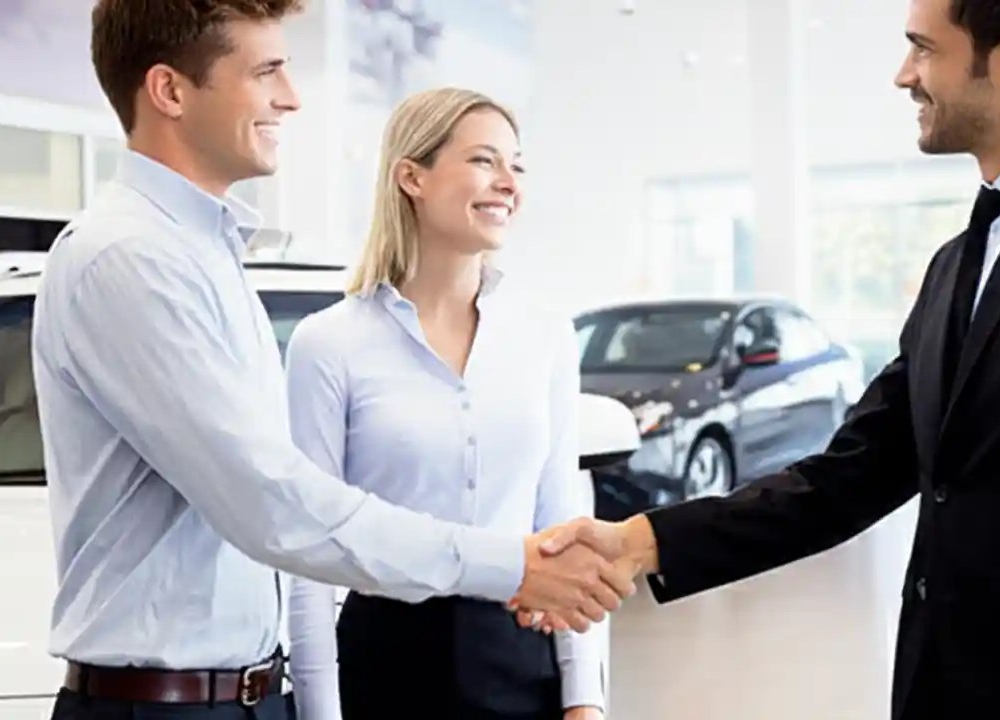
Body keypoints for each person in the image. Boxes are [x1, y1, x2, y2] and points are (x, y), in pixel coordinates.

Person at [525, 0, 1000, 717]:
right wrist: (639, 541)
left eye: (924, 49)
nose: (904, 75)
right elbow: (851, 475)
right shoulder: (955, 263)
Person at [33, 3, 632, 719]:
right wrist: (510, 563)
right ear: (170, 91)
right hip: (171, 706)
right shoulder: (128, 260)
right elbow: (273, 504)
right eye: (266, 72)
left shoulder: (207, 257)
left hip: (246, 694)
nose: (291, 97)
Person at [283, 87, 605, 720]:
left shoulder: (544, 335)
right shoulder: (329, 343)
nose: (508, 182)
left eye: (516, 165)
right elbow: (310, 559)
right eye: (484, 160)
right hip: (386, 665)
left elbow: (563, 523)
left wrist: (585, 699)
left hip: (522, 657)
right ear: (413, 177)